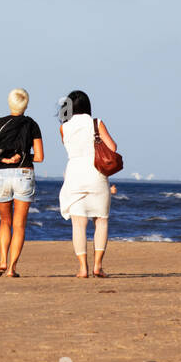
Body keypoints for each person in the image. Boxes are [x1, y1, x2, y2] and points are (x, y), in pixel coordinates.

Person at [0, 88, 44, 278]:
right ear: (27, 104)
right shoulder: (32, 124)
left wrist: (6, 160)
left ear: (10, 103)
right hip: (24, 173)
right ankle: (12, 268)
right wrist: (23, 156)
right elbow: (39, 157)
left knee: (5, 221)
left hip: (2, 174)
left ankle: (2, 260)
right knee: (19, 225)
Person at [57, 90, 118, 278]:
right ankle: (97, 266)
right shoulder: (96, 123)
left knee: (78, 223)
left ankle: (83, 268)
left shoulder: (64, 127)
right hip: (96, 174)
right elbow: (113, 147)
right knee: (101, 220)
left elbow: (69, 147)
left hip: (74, 174)